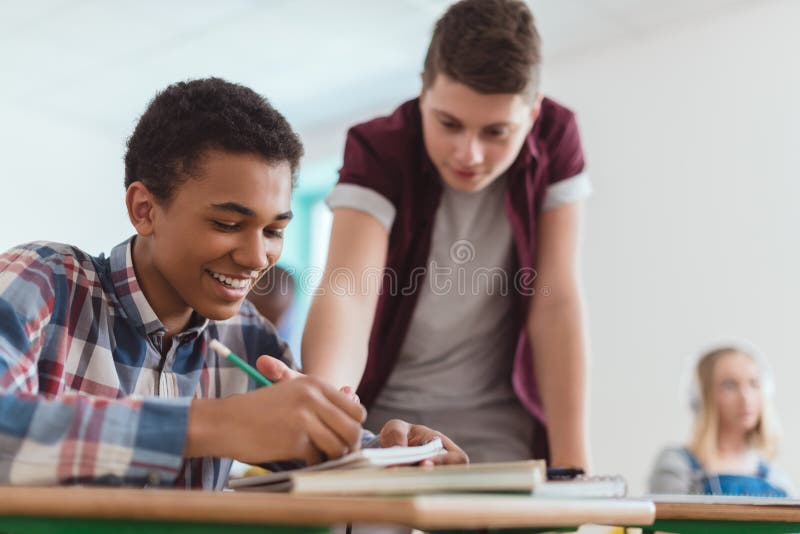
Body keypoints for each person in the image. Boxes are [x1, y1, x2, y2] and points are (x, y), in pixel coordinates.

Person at [0, 77, 466, 490]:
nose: (256, 257)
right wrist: (208, 426)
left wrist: (397, 454)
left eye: (275, 230)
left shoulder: (249, 337)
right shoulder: (44, 281)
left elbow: (331, 458)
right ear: (145, 210)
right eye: (226, 223)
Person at [302, 0, 591, 467]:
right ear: (423, 91)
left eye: (496, 132)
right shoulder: (379, 147)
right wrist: (328, 412)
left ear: (533, 112)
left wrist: (575, 469)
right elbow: (349, 292)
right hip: (387, 424)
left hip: (501, 431)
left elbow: (555, 304)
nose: (469, 154)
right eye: (449, 123)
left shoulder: (558, 138)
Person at [649, 345, 794, 496]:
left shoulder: (776, 479)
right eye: (730, 385)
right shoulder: (677, 466)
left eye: (753, 384)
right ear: (702, 396)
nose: (746, 398)